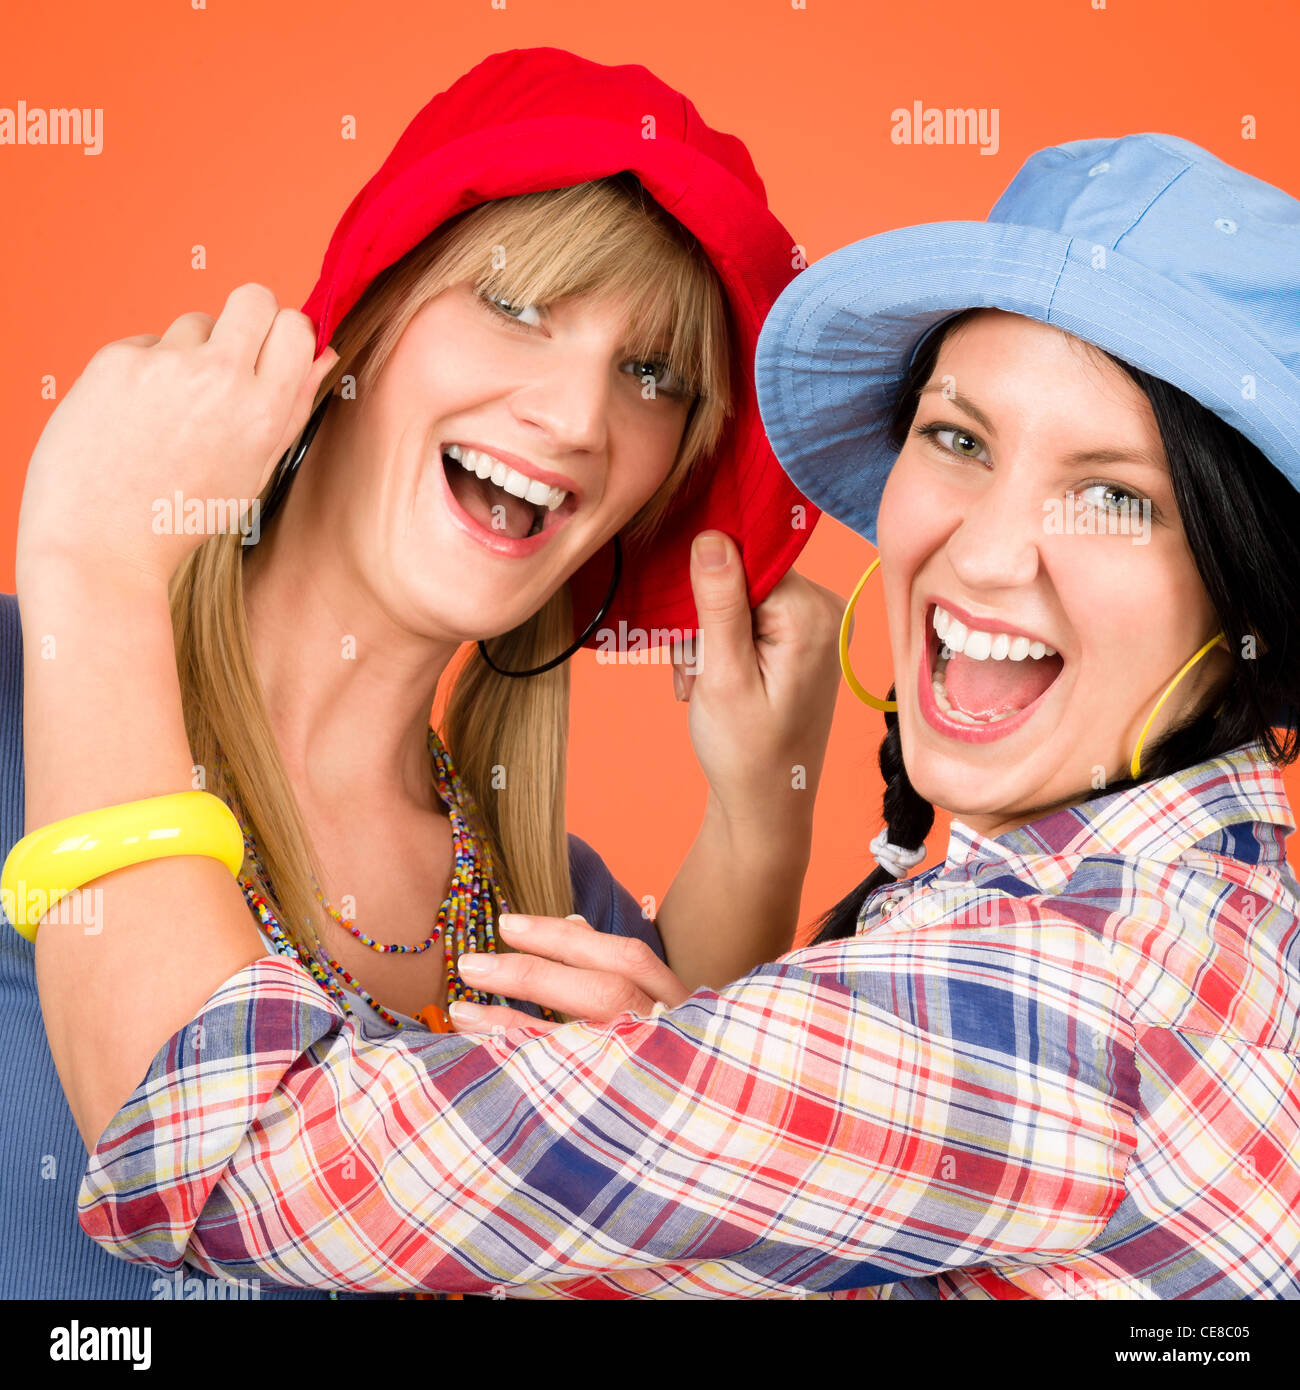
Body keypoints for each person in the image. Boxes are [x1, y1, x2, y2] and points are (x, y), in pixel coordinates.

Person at [26, 132, 1300, 1299]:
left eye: (1117, 499)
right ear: (354, 328)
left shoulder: (1077, 993)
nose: (987, 559)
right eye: (958, 440)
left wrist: (93, 560)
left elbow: (246, 1156)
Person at [0, 46, 844, 1298]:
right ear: (363, 327)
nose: (574, 418)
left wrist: (756, 835)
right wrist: (89, 558)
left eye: (651, 376)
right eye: (514, 306)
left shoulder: (571, 930)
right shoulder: (27, 696)